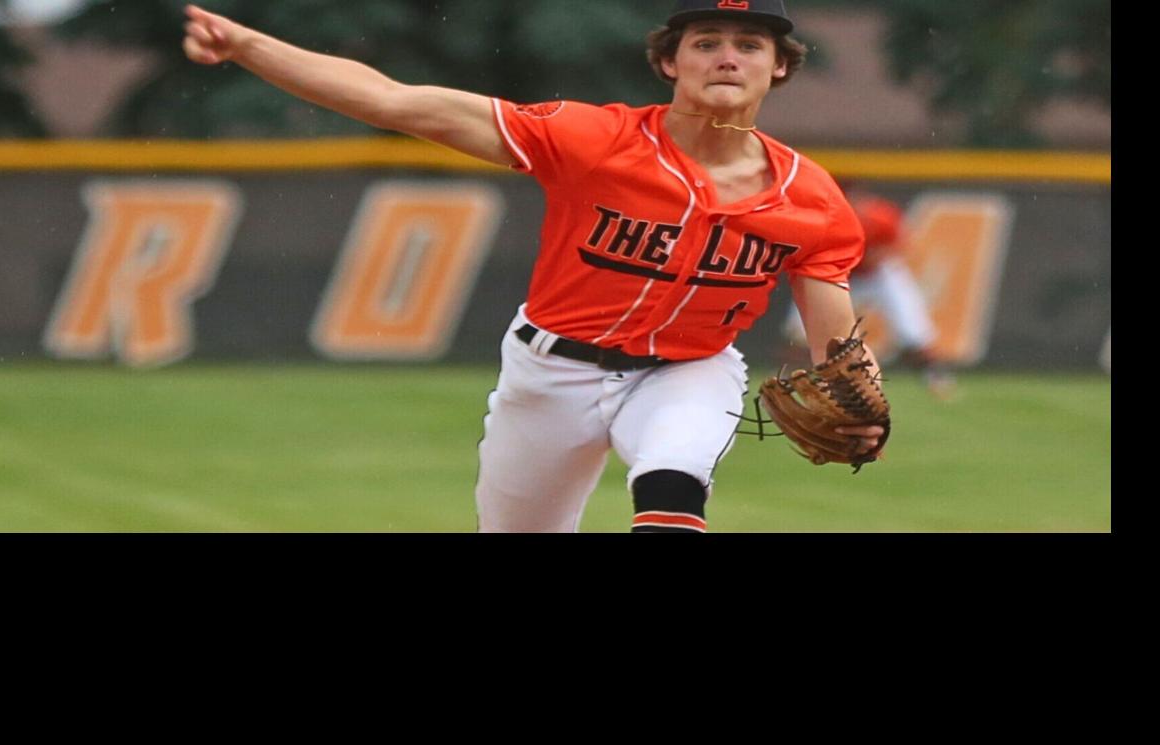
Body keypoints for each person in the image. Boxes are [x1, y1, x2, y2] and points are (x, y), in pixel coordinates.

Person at [181, 0, 883, 533]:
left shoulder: (812, 199)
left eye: (749, 45)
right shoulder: (591, 139)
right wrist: (246, 45)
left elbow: (836, 346)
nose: (727, 57)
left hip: (690, 368)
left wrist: (865, 407)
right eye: (706, 43)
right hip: (550, 372)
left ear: (780, 66)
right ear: (670, 63)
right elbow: (394, 102)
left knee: (674, 477)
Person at [781, 184, 957, 399]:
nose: (853, 201)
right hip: (838, 274)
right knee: (801, 330)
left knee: (912, 327)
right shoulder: (824, 217)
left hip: (879, 275)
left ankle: (935, 376)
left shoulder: (879, 215)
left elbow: (898, 244)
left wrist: (873, 255)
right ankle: (785, 380)